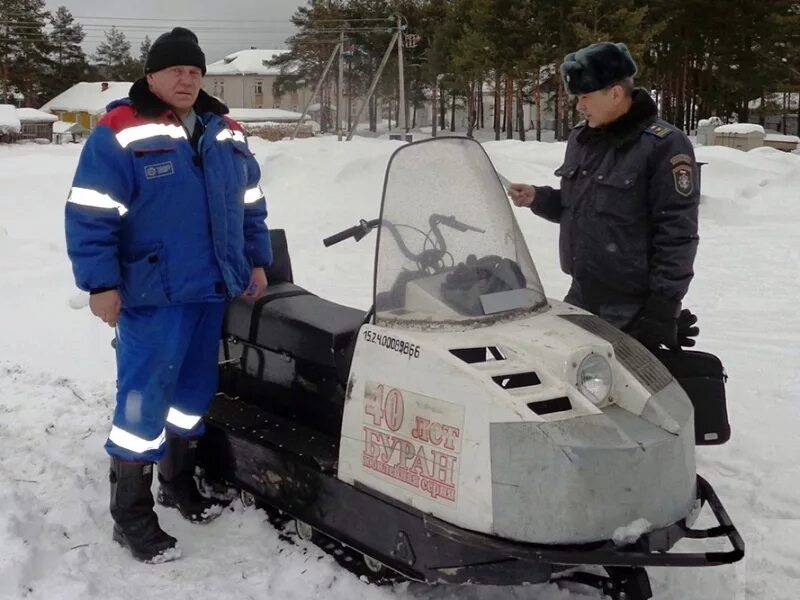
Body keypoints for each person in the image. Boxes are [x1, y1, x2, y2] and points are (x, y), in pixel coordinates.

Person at [64, 27, 272, 563]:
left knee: (194, 393)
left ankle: (176, 480)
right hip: (152, 292)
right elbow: (91, 211)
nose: (186, 79)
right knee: (143, 400)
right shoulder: (118, 129)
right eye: (176, 70)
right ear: (152, 75)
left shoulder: (224, 130)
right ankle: (130, 515)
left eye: (194, 71)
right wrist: (101, 284)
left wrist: (256, 259)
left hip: (210, 287)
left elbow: (250, 201)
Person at [509, 42, 699, 349]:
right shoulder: (583, 139)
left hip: (631, 307)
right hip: (582, 294)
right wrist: (538, 198)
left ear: (615, 93)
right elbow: (579, 207)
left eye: (585, 96)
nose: (579, 106)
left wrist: (663, 307)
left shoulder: (664, 145)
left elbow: (678, 233)